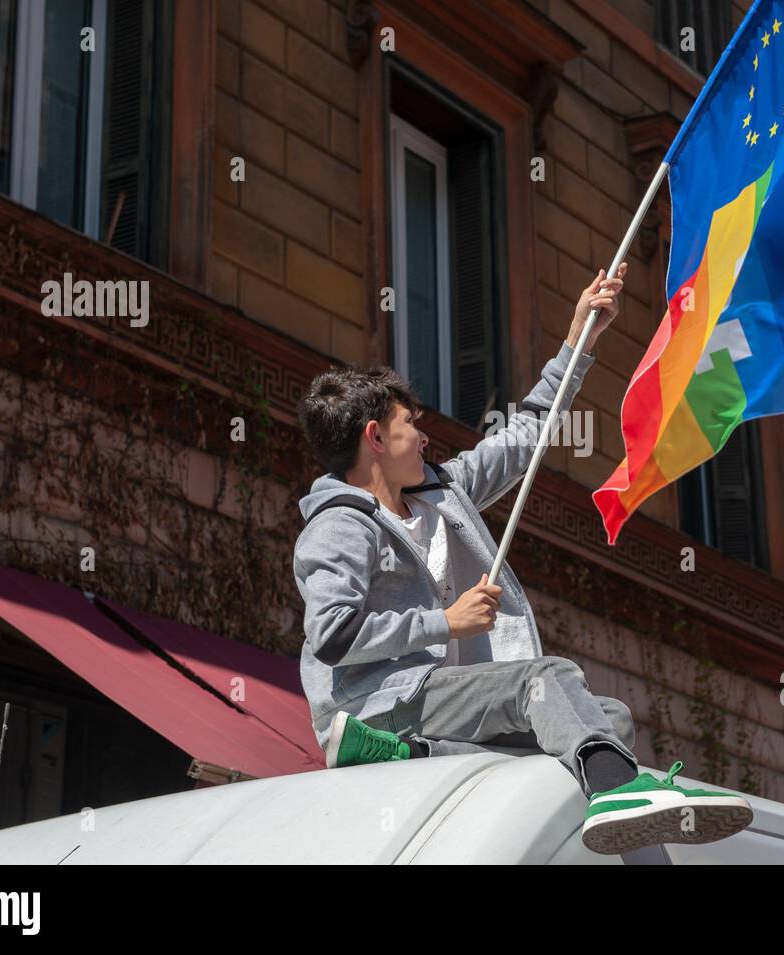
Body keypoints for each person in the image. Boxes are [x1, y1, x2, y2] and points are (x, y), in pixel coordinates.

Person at [293, 264, 752, 855]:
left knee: (605, 717)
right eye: (412, 425)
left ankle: (421, 756)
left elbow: (527, 432)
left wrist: (578, 339)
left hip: (441, 700)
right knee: (548, 680)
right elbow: (331, 636)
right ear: (375, 437)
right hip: (384, 701)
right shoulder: (338, 525)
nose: (426, 438)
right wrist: (447, 622)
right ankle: (624, 801)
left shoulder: (443, 493)